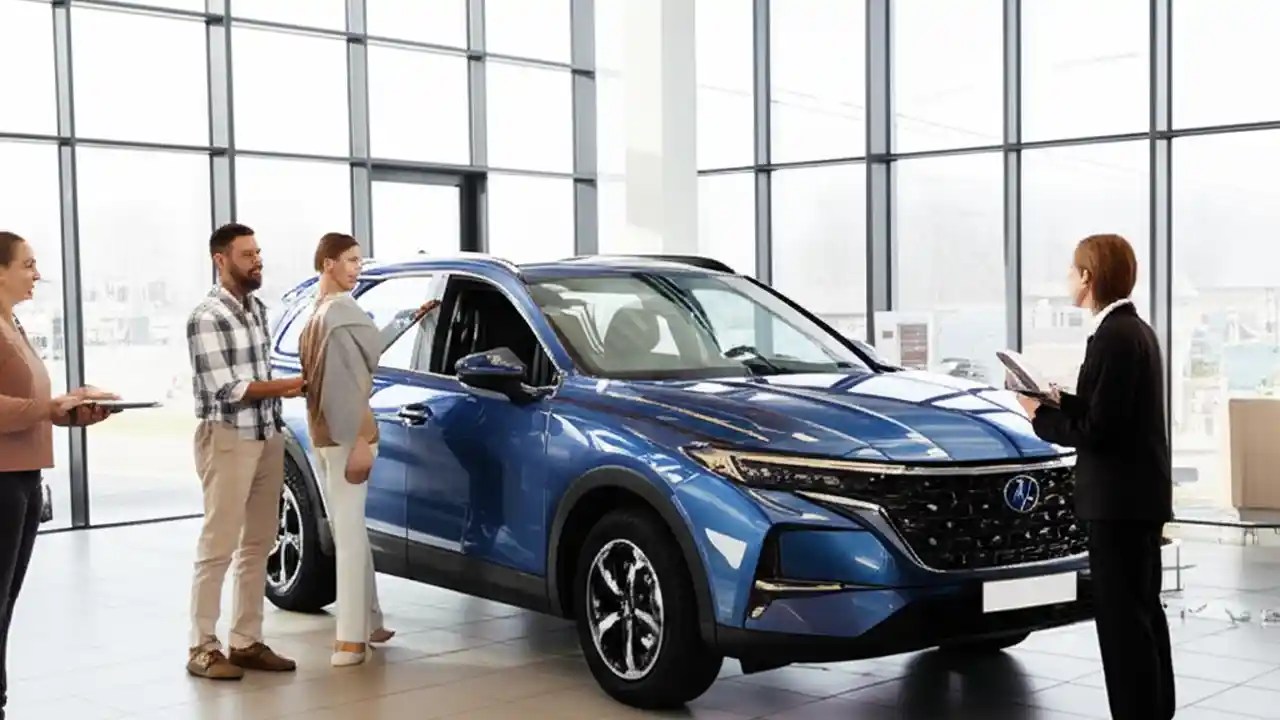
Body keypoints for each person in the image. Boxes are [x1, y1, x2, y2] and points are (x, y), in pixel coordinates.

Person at [1017, 233, 1174, 720]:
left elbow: (1099, 432)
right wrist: (1061, 399)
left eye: (1072, 269)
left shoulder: (1111, 337)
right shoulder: (1135, 330)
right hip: (1139, 500)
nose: (1068, 277)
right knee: (1144, 612)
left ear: (1088, 278)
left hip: (1117, 504)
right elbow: (1112, 411)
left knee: (1121, 621)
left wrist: (1037, 417)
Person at [298, 233, 437, 666]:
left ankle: (352, 639)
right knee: (349, 531)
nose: (358, 268)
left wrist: (358, 440)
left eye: (359, 260)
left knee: (349, 533)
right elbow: (364, 359)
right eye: (350, 261)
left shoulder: (327, 309)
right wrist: (407, 319)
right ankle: (365, 626)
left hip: (340, 434)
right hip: (337, 434)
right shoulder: (333, 309)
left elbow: (358, 371)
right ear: (327, 264)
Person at [0, 231, 115, 718]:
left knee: (5, 605)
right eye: (27, 264)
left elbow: (31, 408)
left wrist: (69, 409)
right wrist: (48, 406)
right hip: (2, 480)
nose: (37, 274)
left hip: (24, 476)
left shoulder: (13, 325)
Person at [184, 223, 306, 680]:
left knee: (259, 542)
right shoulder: (206, 315)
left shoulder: (258, 310)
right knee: (217, 547)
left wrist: (282, 394)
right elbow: (227, 388)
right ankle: (202, 646)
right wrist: (289, 387)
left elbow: (261, 377)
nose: (257, 261)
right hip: (228, 437)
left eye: (258, 253)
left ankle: (246, 641)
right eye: (247, 255)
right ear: (221, 260)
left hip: (266, 435)